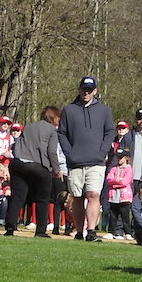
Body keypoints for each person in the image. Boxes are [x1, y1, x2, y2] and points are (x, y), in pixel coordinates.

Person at [58, 75, 113, 241]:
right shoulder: (69, 110)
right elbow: (62, 133)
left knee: (93, 195)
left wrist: (102, 151)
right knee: (77, 197)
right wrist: (70, 153)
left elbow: (109, 132)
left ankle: (91, 231)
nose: (86, 93)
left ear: (95, 91)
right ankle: (79, 232)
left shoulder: (104, 110)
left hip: (96, 162)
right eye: (84, 89)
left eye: (89, 90)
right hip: (75, 162)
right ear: (79, 90)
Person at [5, 105, 62, 237]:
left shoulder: (29, 126)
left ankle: (10, 227)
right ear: (54, 118)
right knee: (43, 198)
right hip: (38, 166)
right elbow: (52, 152)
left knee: (17, 197)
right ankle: (40, 231)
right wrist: (56, 169)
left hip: (19, 163)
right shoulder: (52, 130)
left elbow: (18, 143)